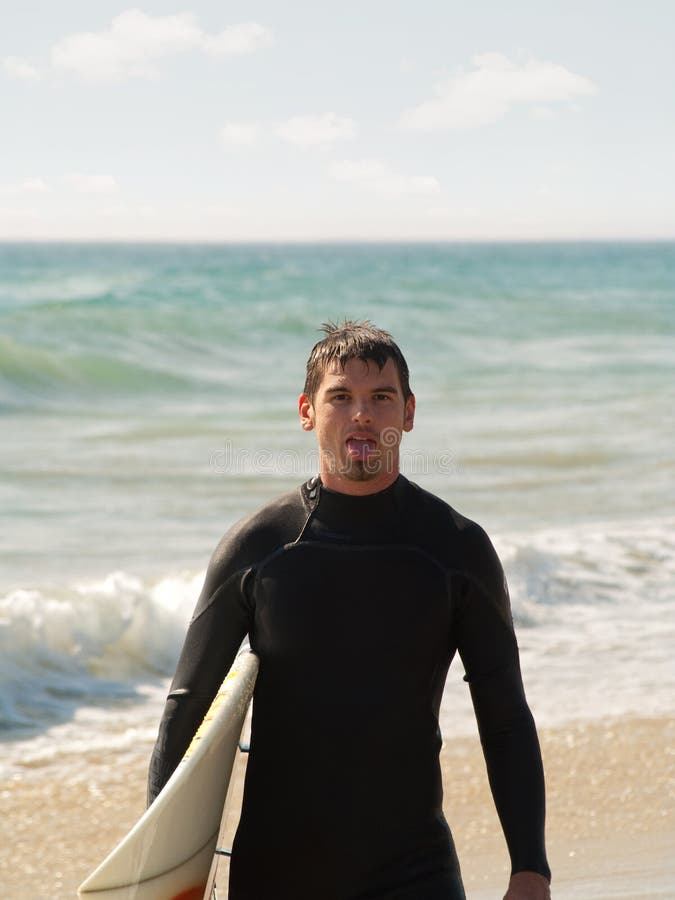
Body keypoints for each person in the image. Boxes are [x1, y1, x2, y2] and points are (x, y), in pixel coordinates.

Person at [148, 320, 551, 900]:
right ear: (307, 412)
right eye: (341, 397)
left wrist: (530, 870)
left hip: (415, 874)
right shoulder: (259, 548)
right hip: (274, 876)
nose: (362, 415)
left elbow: (506, 718)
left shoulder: (456, 549)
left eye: (380, 398)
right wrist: (163, 880)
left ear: (408, 413)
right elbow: (185, 715)